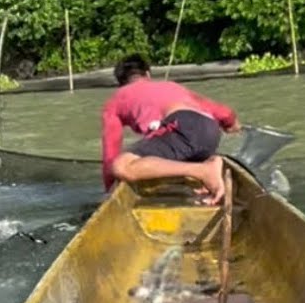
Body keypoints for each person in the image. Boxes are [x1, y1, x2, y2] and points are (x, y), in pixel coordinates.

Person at [101, 54, 240, 204]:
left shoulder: (115, 100)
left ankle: (203, 170)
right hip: (210, 131)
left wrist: (110, 190)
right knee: (160, 148)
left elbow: (111, 152)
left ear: (120, 83)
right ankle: (205, 169)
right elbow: (224, 113)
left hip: (182, 128)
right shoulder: (172, 86)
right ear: (147, 74)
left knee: (122, 165)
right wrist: (232, 124)